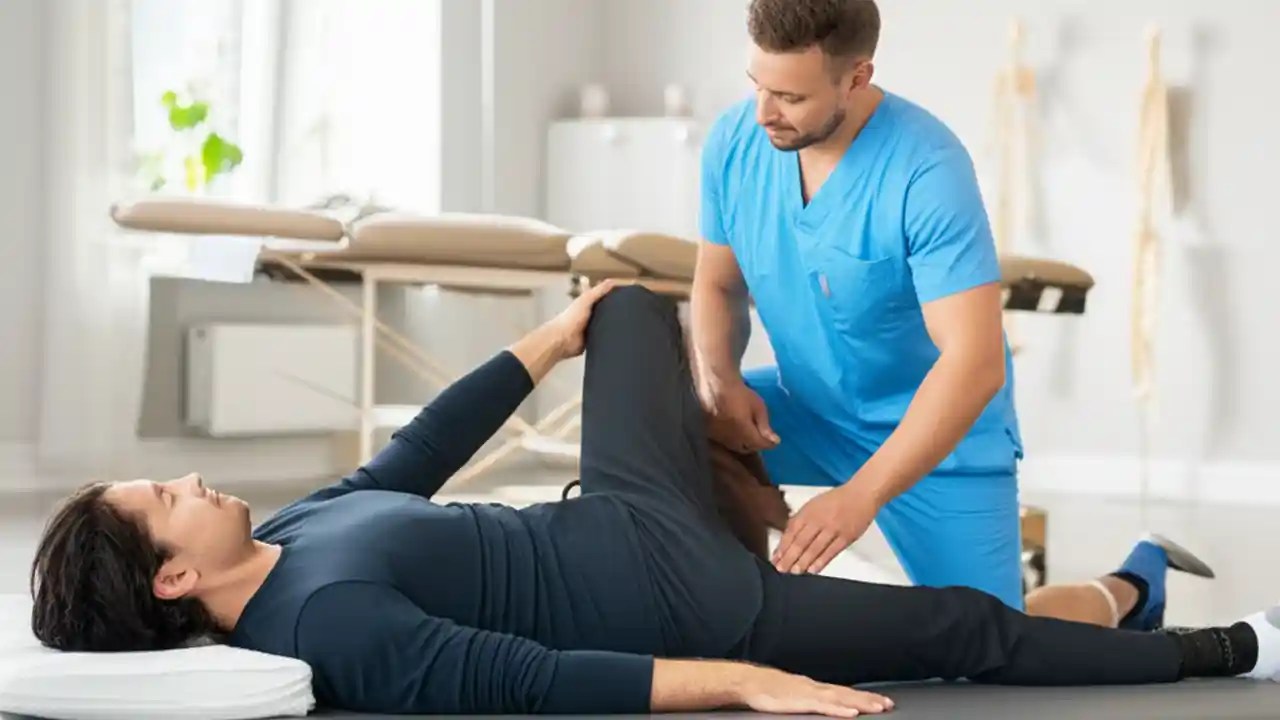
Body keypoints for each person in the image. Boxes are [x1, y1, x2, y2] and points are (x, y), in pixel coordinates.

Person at [27, 284, 1280, 717]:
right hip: (692, 601)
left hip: (618, 507)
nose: (190, 478)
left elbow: (413, 456)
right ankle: (1227, 645)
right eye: (164, 497)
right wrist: (735, 680)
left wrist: (549, 341)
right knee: (964, 634)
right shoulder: (326, 627)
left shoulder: (298, 532)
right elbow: (522, 681)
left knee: (629, 307)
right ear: (172, 580)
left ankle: (735, 458)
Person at [691, 0, 1023, 608]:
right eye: (756, 86)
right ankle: (739, 610)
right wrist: (721, 379)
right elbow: (717, 284)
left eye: (790, 98)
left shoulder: (928, 169)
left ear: (857, 77)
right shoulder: (735, 141)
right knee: (674, 418)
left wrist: (861, 495)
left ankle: (1126, 587)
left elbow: (974, 364)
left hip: (935, 436)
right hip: (808, 408)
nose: (764, 113)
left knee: (995, 647)